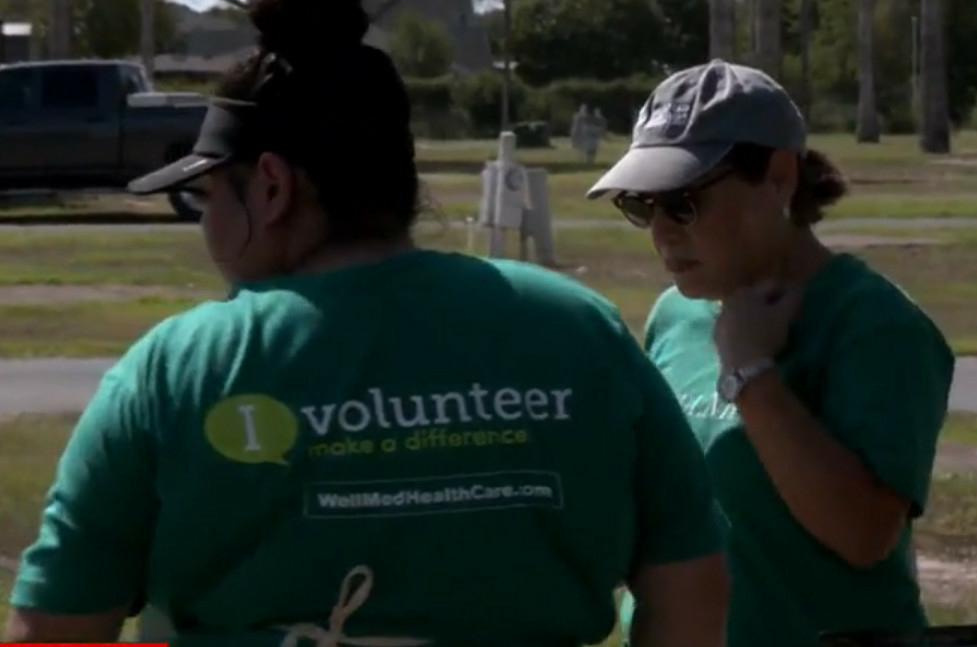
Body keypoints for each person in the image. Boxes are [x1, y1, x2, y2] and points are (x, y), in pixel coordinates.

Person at [2, 2, 729, 646]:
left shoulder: (175, 368)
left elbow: (59, 628)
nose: (209, 223)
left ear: (273, 186)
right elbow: (691, 589)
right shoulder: (580, 330)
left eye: (210, 193)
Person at [586, 60, 955, 647]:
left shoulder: (874, 324)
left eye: (681, 202)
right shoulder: (674, 316)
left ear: (780, 178)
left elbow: (863, 535)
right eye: (642, 205)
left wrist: (752, 378)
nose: (661, 231)